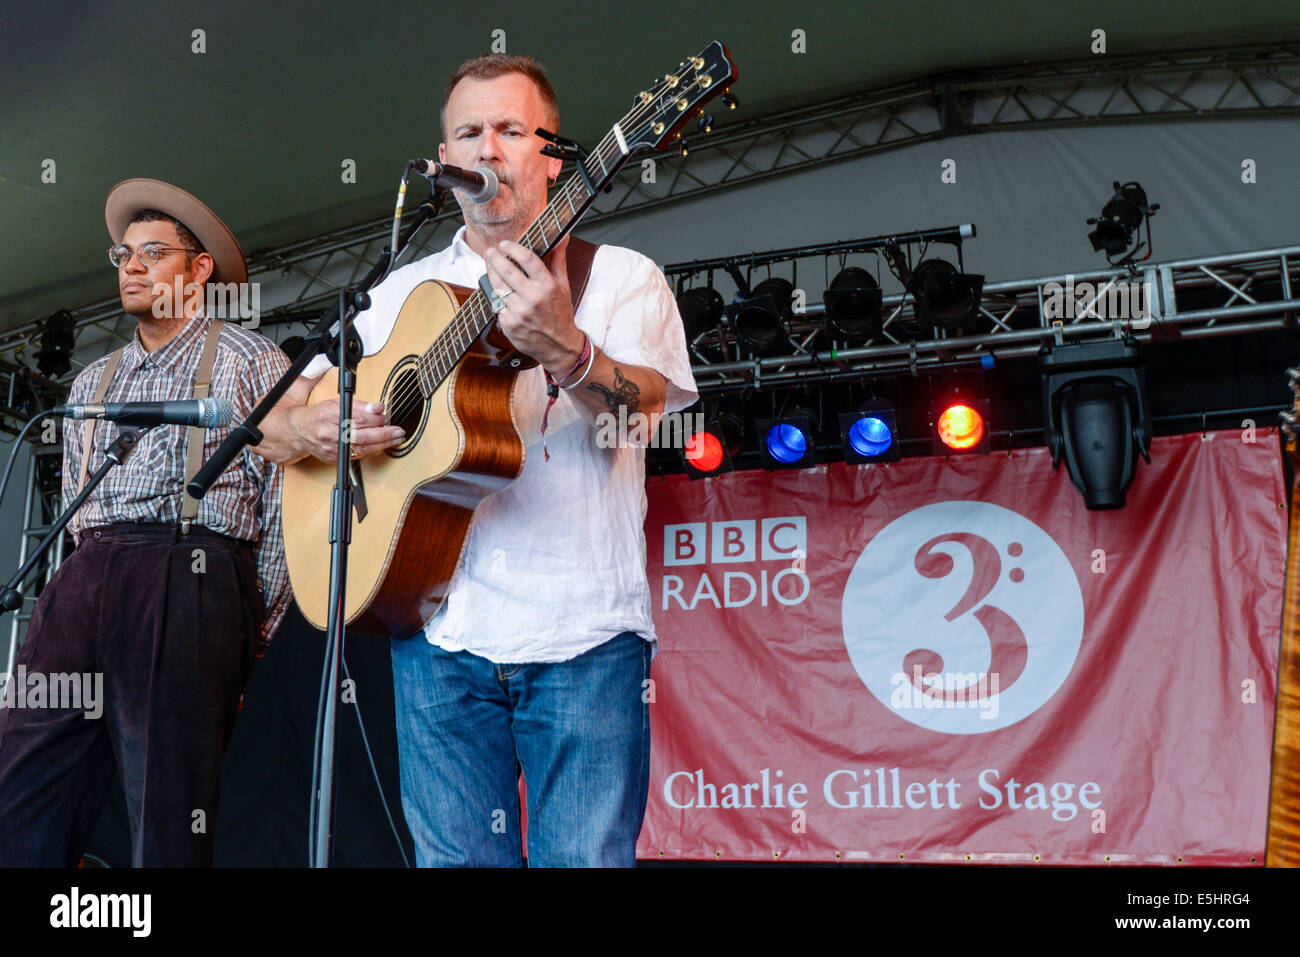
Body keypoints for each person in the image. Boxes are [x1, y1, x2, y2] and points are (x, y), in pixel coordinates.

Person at [255, 54, 697, 866]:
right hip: (438, 630)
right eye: (467, 132)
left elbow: (654, 421)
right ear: (446, 159)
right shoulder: (404, 289)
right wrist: (315, 429)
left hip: (586, 634)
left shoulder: (621, 277)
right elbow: (272, 420)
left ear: (554, 152)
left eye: (509, 129)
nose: (485, 147)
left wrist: (569, 352)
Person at [0, 180, 292, 867]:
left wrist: (251, 625)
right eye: (123, 253)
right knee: (20, 787)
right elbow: (76, 507)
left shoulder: (252, 360)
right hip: (88, 575)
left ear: (198, 271)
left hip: (190, 571)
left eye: (152, 253)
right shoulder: (91, 381)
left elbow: (283, 508)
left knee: (168, 802)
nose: (131, 266)